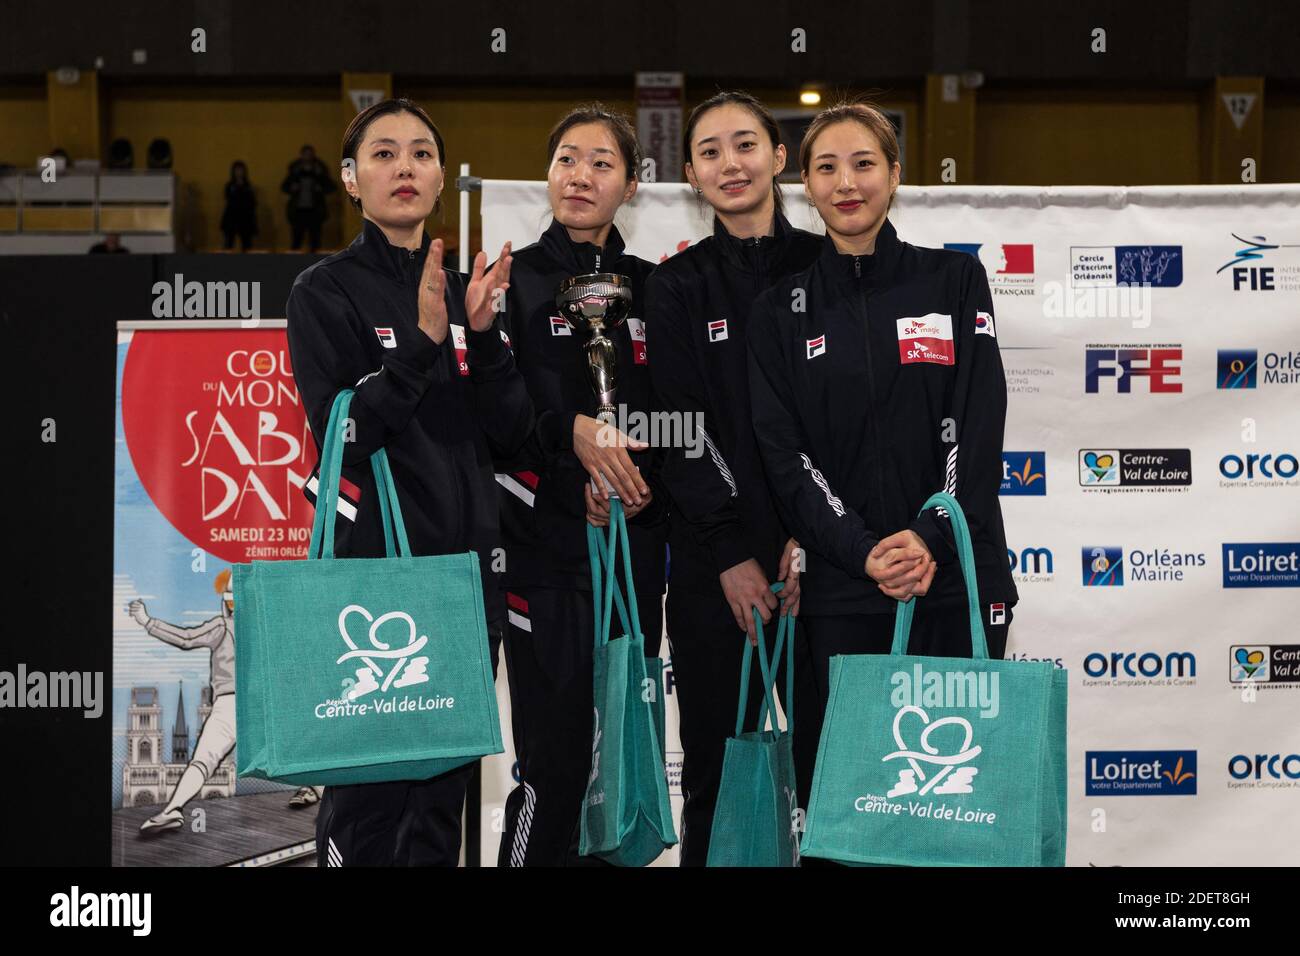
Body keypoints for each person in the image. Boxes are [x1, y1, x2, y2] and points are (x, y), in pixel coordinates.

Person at [286, 98, 529, 867]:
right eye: (384, 154)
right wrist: (419, 348)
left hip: (467, 583)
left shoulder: (470, 290)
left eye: (422, 153)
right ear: (353, 182)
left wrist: (484, 342)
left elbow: (515, 438)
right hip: (376, 586)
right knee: (368, 802)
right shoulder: (324, 292)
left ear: (440, 178)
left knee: (439, 806)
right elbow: (342, 438)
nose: (406, 167)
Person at [746, 101, 1019, 751]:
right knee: (852, 814)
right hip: (843, 593)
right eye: (827, 168)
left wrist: (929, 537)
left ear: (895, 174)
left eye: (864, 163)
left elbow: (975, 426)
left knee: (956, 812)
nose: (847, 184)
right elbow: (787, 458)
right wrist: (863, 550)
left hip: (956, 580)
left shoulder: (953, 280)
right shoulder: (780, 312)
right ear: (805, 185)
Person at [644, 91, 822, 865]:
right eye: (710, 151)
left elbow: (848, 424)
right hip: (719, 577)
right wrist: (730, 552)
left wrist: (812, 540)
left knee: (835, 778)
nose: (731, 163)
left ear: (779, 158)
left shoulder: (830, 262)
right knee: (715, 778)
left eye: (745, 144)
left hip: (824, 567)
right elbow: (678, 430)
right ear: (691, 173)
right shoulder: (677, 286)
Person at [491, 105, 669, 867]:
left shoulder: (658, 290)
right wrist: (574, 468)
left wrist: (633, 476)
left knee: (620, 765)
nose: (581, 176)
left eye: (602, 162)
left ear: (631, 184)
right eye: (567, 159)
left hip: (635, 558)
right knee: (554, 765)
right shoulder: (511, 282)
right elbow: (495, 416)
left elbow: (683, 419)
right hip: (545, 557)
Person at [129, 572, 235, 833]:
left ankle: (172, 809)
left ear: (227, 603)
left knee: (202, 761)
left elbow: (186, 638)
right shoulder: (263, 630)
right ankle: (318, 789)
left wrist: (147, 622)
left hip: (230, 703)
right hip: (259, 702)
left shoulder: (222, 626)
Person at [282, 144, 335, 253]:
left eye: (309, 155)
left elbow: (331, 187)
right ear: (301, 156)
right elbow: (284, 187)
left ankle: (316, 268)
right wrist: (292, 188)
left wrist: (321, 189)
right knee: (296, 241)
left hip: (315, 211)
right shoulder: (295, 169)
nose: (307, 157)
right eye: (305, 155)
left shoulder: (320, 169)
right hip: (298, 210)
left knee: (315, 241)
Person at [221, 161, 257, 251]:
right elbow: (228, 198)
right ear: (233, 171)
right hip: (231, 217)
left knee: (247, 245)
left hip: (245, 218)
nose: (239, 172)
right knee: (228, 244)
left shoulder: (248, 185)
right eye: (237, 170)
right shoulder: (229, 185)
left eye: (241, 170)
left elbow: (252, 202)